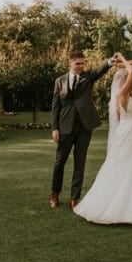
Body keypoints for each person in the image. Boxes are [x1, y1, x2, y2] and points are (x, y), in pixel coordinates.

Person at [73, 54, 132, 224]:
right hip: (129, 133)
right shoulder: (123, 92)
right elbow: (131, 72)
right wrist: (123, 59)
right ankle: (122, 204)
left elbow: (121, 115)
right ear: (124, 80)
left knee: (131, 164)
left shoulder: (123, 96)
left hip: (129, 130)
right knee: (129, 164)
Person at [50, 50, 117, 210]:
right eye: (77, 63)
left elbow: (99, 71)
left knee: (80, 163)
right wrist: (54, 128)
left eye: (82, 63)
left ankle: (75, 198)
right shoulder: (59, 81)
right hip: (65, 128)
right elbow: (55, 107)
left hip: (84, 127)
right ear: (70, 63)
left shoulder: (87, 78)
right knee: (59, 162)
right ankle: (54, 194)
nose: (80, 66)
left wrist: (110, 61)